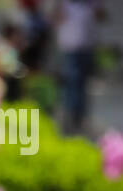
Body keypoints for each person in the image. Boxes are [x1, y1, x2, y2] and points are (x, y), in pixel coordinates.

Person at [54, 0, 106, 133]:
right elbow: (56, 17)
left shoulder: (91, 4)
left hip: (86, 49)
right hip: (70, 50)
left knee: (82, 85)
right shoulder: (66, 3)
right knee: (71, 84)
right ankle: (70, 118)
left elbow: (102, 16)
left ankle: (79, 118)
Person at [18, 0, 52, 74]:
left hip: (36, 50)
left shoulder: (38, 17)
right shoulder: (24, 17)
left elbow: (44, 32)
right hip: (28, 51)